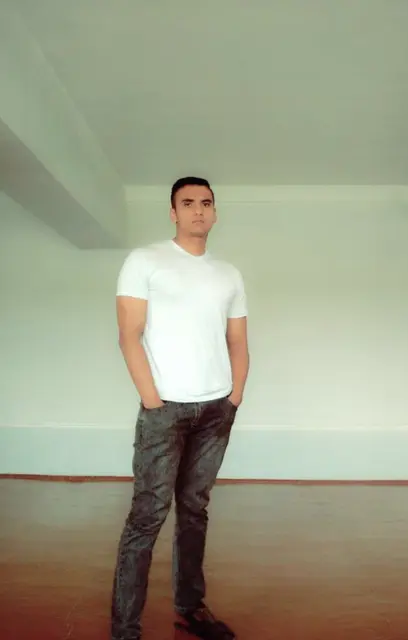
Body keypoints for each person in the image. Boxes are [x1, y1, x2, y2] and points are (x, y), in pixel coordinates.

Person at [111, 176, 250, 640]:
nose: (198, 210)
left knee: (194, 509)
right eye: (187, 203)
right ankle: (125, 629)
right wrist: (153, 400)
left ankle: (191, 608)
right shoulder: (145, 261)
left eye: (206, 203)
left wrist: (234, 396)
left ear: (215, 212)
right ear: (173, 212)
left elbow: (237, 340)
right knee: (147, 516)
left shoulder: (228, 273)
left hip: (215, 410)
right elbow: (129, 335)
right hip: (165, 410)